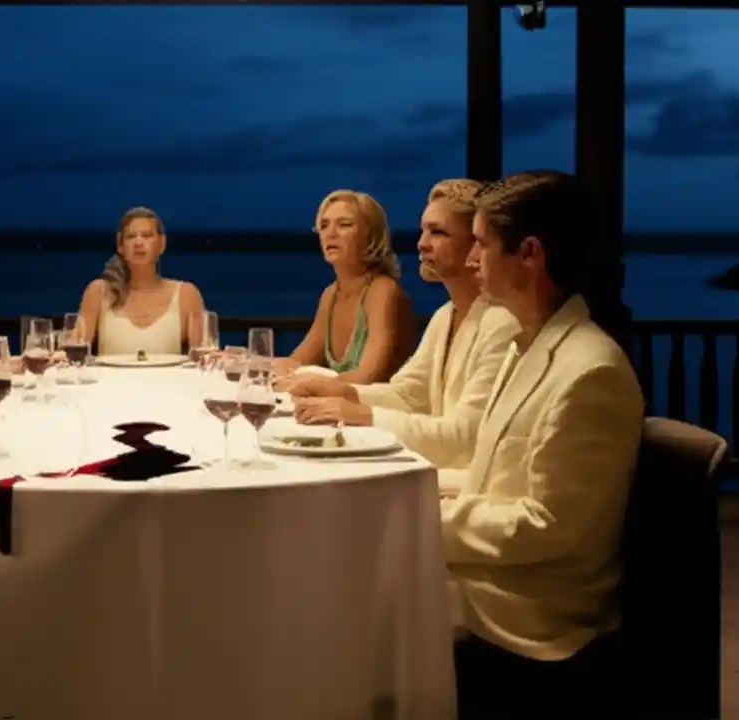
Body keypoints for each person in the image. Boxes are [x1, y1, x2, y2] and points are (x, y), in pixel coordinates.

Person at [440, 170, 644, 718]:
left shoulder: (589, 370)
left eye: (481, 243)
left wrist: (421, 521)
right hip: (496, 580)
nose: (471, 259)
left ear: (528, 253)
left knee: (352, 608)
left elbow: (547, 523)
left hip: (534, 618)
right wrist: (402, 489)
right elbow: (491, 476)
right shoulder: (523, 346)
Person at [290, 179, 520, 476]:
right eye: (423, 230)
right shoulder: (444, 316)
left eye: (438, 232)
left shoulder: (502, 323)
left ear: (477, 243)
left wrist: (363, 413)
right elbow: (407, 395)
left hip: (458, 485)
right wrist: (341, 392)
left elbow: (463, 438)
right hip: (430, 469)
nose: (421, 243)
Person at [275, 190, 416, 387]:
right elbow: (296, 362)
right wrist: (242, 363)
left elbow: (368, 378)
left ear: (371, 235)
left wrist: (307, 383)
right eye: (324, 226)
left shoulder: (382, 291)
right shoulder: (330, 295)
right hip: (343, 411)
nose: (330, 233)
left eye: (344, 225)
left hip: (381, 413)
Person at [75, 206, 207, 356]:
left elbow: (202, 359)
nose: (138, 243)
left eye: (147, 236)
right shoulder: (99, 292)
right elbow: (76, 349)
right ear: (120, 246)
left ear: (161, 243)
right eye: (131, 237)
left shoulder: (186, 295)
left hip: (167, 380)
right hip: (111, 380)